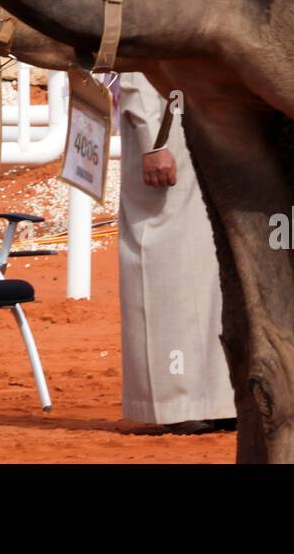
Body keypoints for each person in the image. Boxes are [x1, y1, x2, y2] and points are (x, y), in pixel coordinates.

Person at [116, 72, 235, 434]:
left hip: (202, 117)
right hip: (166, 126)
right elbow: (133, 67)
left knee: (208, 271)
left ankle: (216, 399)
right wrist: (154, 141)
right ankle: (172, 400)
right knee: (164, 270)